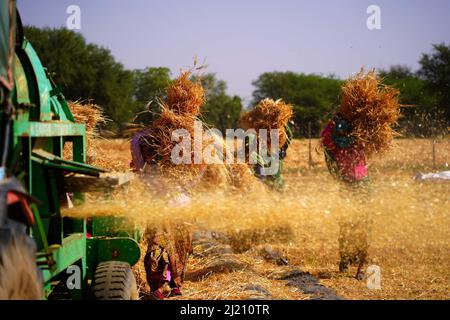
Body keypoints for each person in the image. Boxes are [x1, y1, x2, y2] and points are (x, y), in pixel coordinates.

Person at [130, 129, 193, 299]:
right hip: (161, 209)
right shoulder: (149, 164)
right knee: (158, 247)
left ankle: (172, 285)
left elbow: (136, 143)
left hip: (178, 207)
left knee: (177, 248)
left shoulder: (178, 163)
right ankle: (162, 286)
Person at [321, 114, 370, 280]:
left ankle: (360, 266)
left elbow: (375, 137)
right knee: (347, 223)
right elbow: (326, 137)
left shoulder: (362, 134)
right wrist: (339, 123)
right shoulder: (335, 139)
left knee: (363, 224)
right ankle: (345, 258)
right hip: (347, 184)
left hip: (362, 183)